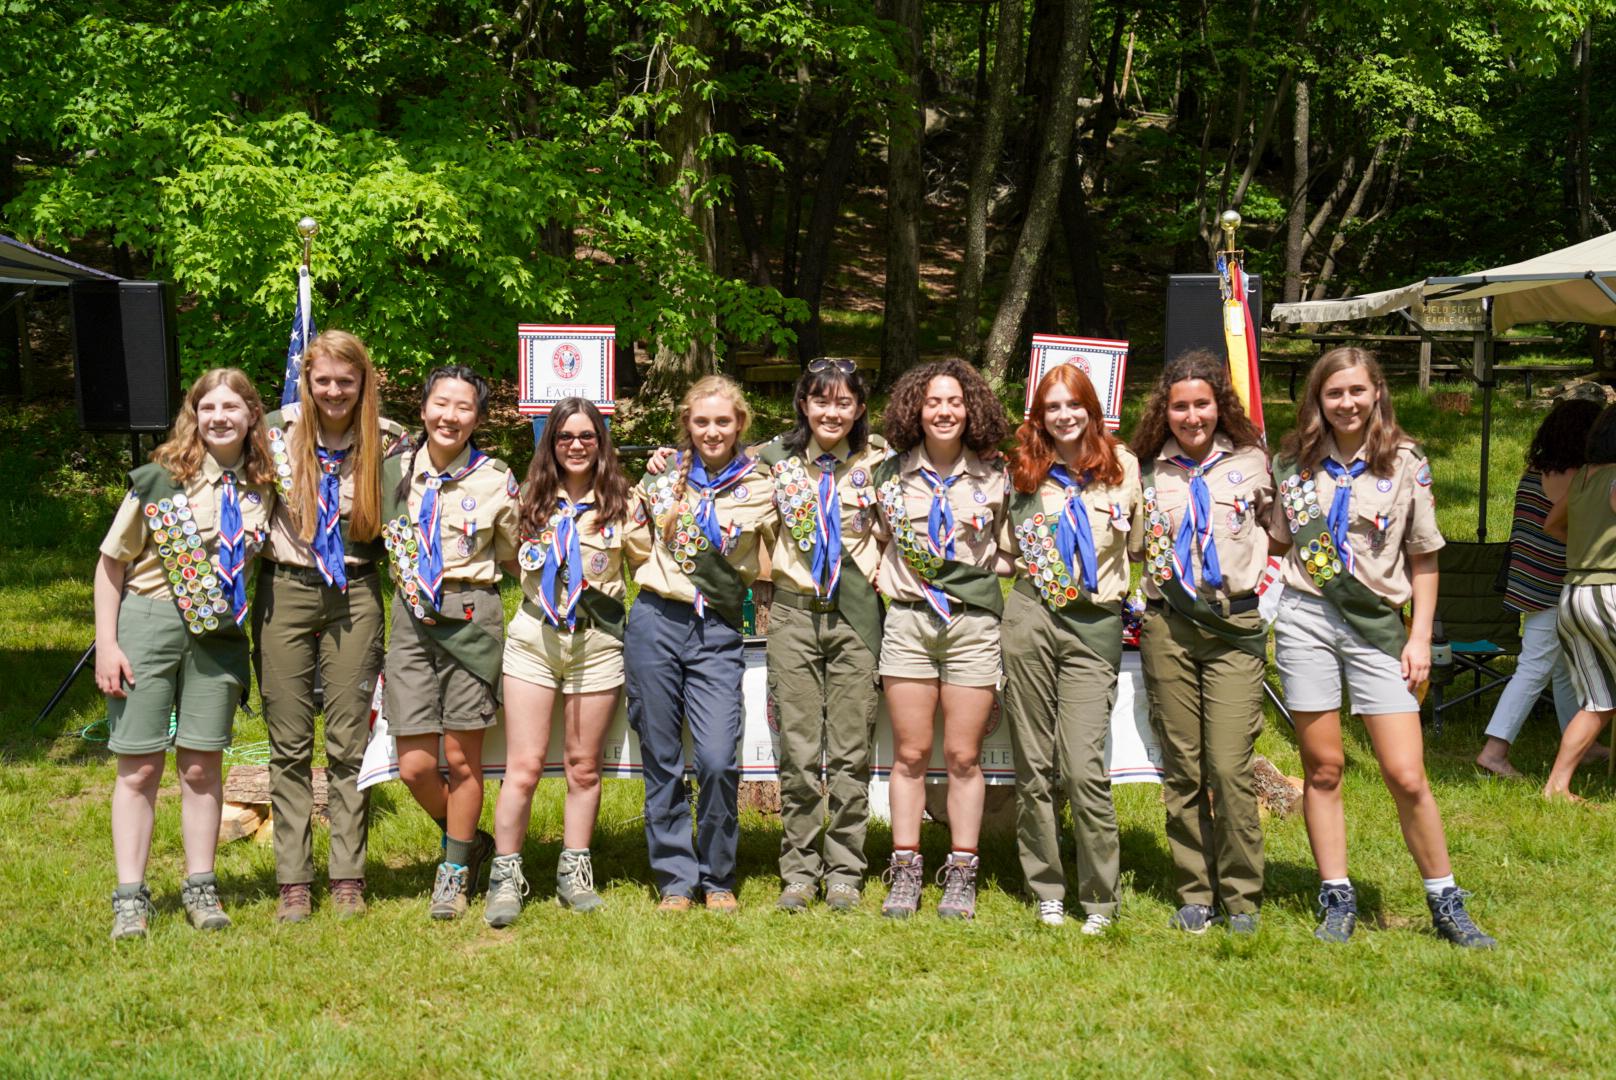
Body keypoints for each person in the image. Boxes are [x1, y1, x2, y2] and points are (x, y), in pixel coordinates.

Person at [1269, 347, 1494, 948]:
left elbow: (1423, 555)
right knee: (1324, 768)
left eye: (1356, 392)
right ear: (1318, 398)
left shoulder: (1407, 462)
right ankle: (1336, 896)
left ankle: (1446, 899)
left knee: (1406, 774)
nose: (1346, 403)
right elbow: (1278, 542)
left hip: (1377, 628)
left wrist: (1420, 636)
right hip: (1306, 618)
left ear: (1377, 393)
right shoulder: (1291, 465)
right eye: (1333, 393)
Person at [97, 368, 277, 939]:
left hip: (218, 634)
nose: (219, 417)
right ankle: (131, 895)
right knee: (141, 763)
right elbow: (110, 565)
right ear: (193, 416)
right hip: (148, 623)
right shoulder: (159, 480)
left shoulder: (265, 484)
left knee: (201, 765)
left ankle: (201, 885)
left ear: (252, 415)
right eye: (208, 408)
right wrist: (108, 643)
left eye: (232, 406)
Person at [255, 330, 411, 923]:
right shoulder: (273, 433)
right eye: (323, 380)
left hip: (356, 588)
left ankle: (347, 876)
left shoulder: (389, 441)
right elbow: (214, 464)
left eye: (346, 380)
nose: (334, 391)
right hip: (286, 589)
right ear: (307, 379)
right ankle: (294, 881)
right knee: (288, 744)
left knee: (349, 741)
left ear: (363, 381)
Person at [1128, 350, 1272, 935]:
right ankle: (1195, 889)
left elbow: (1285, 537)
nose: (1191, 417)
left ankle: (1241, 894)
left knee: (1229, 765)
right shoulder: (1142, 472)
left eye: (1202, 405)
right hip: (1169, 627)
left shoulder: (1255, 464)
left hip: (1233, 627)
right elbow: (1128, 546)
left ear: (1220, 407)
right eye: (1180, 406)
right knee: (1183, 767)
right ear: (1166, 410)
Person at [623, 375, 777, 913]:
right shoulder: (663, 480)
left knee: (715, 757)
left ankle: (718, 876)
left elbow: (776, 556)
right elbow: (634, 544)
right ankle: (674, 878)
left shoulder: (763, 484)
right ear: (687, 425)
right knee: (662, 755)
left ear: (741, 425)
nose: (712, 431)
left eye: (723, 421)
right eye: (701, 421)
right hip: (656, 621)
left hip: (717, 630)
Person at [1002, 363, 1140, 933]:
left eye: (1073, 405)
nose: (1063, 416)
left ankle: (1100, 898)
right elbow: (1003, 548)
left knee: (1083, 767)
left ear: (1091, 408)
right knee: (1033, 766)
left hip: (1094, 622)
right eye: (1052, 407)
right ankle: (1047, 889)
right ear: (1041, 414)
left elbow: (1143, 544)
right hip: (1032, 615)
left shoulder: (1124, 467)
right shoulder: (1022, 471)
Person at [873, 357, 1011, 920]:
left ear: (970, 407)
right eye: (933, 401)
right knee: (908, 754)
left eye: (954, 401)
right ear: (916, 409)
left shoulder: (997, 475)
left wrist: (986, 577)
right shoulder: (888, 474)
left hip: (971, 626)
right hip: (907, 623)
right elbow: (872, 536)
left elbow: (1015, 546)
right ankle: (905, 869)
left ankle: (961, 870)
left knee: (961, 755)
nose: (945, 411)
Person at [484, 397, 631, 926]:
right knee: (522, 768)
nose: (575, 445)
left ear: (600, 442)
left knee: (583, 766)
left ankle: (575, 872)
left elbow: (650, 557)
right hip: (534, 640)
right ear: (550, 443)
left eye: (586, 436)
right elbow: (501, 556)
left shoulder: (622, 502)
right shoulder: (524, 502)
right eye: (565, 436)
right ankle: (505, 876)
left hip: (596, 644)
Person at [380, 366, 519, 921]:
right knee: (414, 764)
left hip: (471, 614)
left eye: (464, 408)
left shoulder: (496, 478)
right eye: (441, 404)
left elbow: (514, 555)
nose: (450, 416)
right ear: (422, 408)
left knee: (462, 758)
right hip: (411, 617)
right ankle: (470, 841)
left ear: (478, 418)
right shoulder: (392, 474)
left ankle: (455, 870)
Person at [754, 360, 888, 913]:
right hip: (794, 614)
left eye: (843, 403)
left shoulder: (881, 462)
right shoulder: (772, 462)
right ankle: (800, 870)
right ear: (803, 405)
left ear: (858, 409)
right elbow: (707, 477)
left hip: (856, 615)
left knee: (852, 752)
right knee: (801, 751)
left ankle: (845, 871)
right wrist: (667, 461)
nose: (831, 413)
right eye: (820, 401)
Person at [1475, 396, 1604, 777]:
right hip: (1554, 583)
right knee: (1533, 668)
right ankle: (1494, 751)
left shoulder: (1534, 470)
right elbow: (1573, 534)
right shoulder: (1581, 477)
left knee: (1563, 668)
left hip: (1528, 580)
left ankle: (1579, 739)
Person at [1542, 403, 1616, 800]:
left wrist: (1585, 548)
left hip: (1574, 596)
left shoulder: (1586, 477)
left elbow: (1552, 524)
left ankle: (1556, 787)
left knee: (1599, 701)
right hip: (1610, 595)